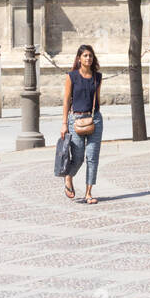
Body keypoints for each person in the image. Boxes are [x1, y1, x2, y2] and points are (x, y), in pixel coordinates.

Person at [60, 45, 103, 204]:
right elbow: (66, 101)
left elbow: (97, 99)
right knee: (78, 158)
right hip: (75, 120)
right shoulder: (71, 76)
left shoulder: (97, 77)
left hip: (94, 119)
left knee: (92, 157)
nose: (88, 58)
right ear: (79, 58)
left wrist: (94, 115)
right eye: (85, 55)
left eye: (90, 56)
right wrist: (64, 123)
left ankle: (88, 193)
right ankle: (68, 177)